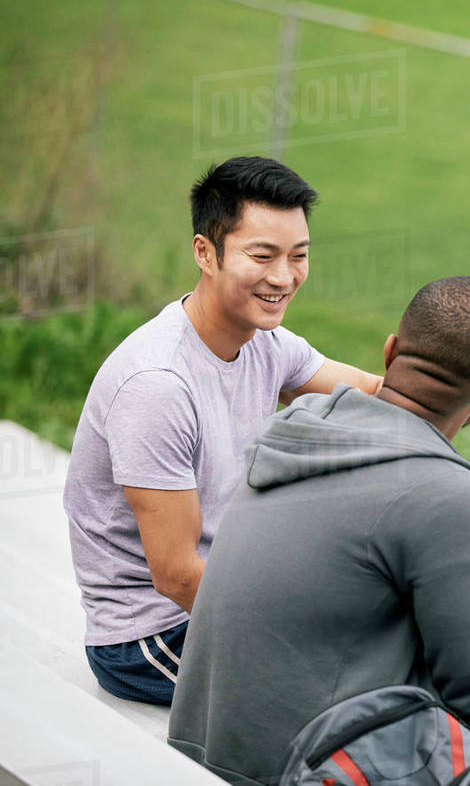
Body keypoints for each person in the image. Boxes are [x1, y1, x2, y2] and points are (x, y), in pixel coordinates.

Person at [168, 277, 470, 786]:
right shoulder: (444, 492)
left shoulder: (300, 427)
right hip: (299, 769)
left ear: (391, 351)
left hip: (204, 742)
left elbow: (422, 639)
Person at [63, 157, 384, 706]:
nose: (283, 277)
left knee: (382, 648)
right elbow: (178, 576)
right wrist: (302, 631)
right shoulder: (158, 384)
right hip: (151, 636)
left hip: (223, 592)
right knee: (355, 693)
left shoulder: (263, 342)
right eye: (262, 256)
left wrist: (456, 378)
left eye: (298, 256)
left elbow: (371, 396)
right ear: (204, 253)